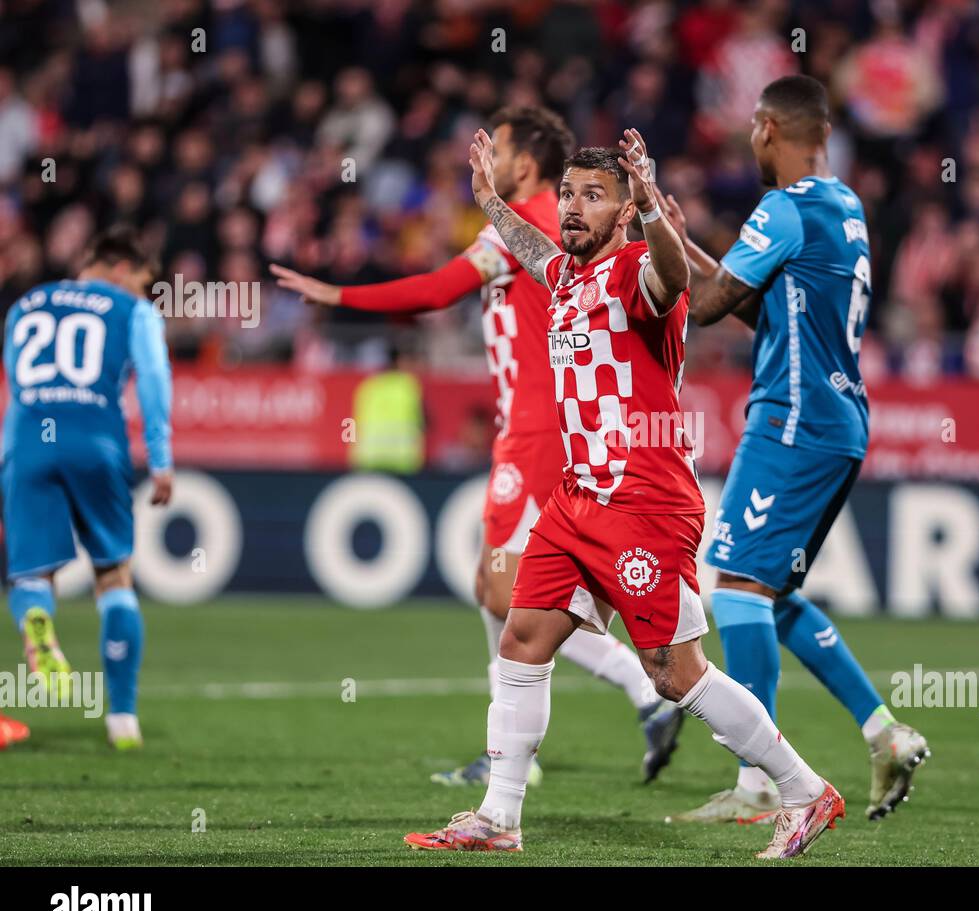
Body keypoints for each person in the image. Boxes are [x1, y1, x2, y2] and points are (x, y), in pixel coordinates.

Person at [404, 129, 844, 858]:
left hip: (644, 501)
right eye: (569, 194)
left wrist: (648, 206)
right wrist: (486, 198)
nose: (573, 208)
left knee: (675, 674)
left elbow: (676, 276)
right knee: (522, 638)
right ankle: (498, 817)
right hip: (577, 499)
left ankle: (804, 790)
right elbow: (528, 246)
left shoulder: (640, 271)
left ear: (622, 210)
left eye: (592, 197)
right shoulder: (568, 276)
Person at [272, 107, 684, 785]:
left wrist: (336, 292)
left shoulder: (526, 226)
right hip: (538, 427)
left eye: (499, 150)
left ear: (525, 166)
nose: (486, 161)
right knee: (493, 589)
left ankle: (633, 696)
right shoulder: (554, 229)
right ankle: (509, 749)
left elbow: (436, 289)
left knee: (505, 589)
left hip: (538, 430)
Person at [657, 74, 928, 824]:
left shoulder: (782, 208)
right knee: (770, 598)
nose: (749, 140)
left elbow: (711, 311)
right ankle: (884, 731)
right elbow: (768, 316)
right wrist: (689, 244)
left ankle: (759, 785)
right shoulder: (844, 209)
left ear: (772, 128)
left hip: (791, 422)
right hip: (839, 424)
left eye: (753, 127)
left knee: (736, 590)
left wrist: (662, 247)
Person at [2, 226, 173, 749]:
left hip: (28, 440)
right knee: (113, 574)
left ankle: (37, 621)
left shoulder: (25, 303)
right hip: (94, 439)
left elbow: (13, 383)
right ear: (121, 269)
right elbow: (153, 378)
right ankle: (122, 718)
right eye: (143, 284)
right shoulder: (131, 310)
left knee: (32, 569)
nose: (143, 296)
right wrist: (162, 459)